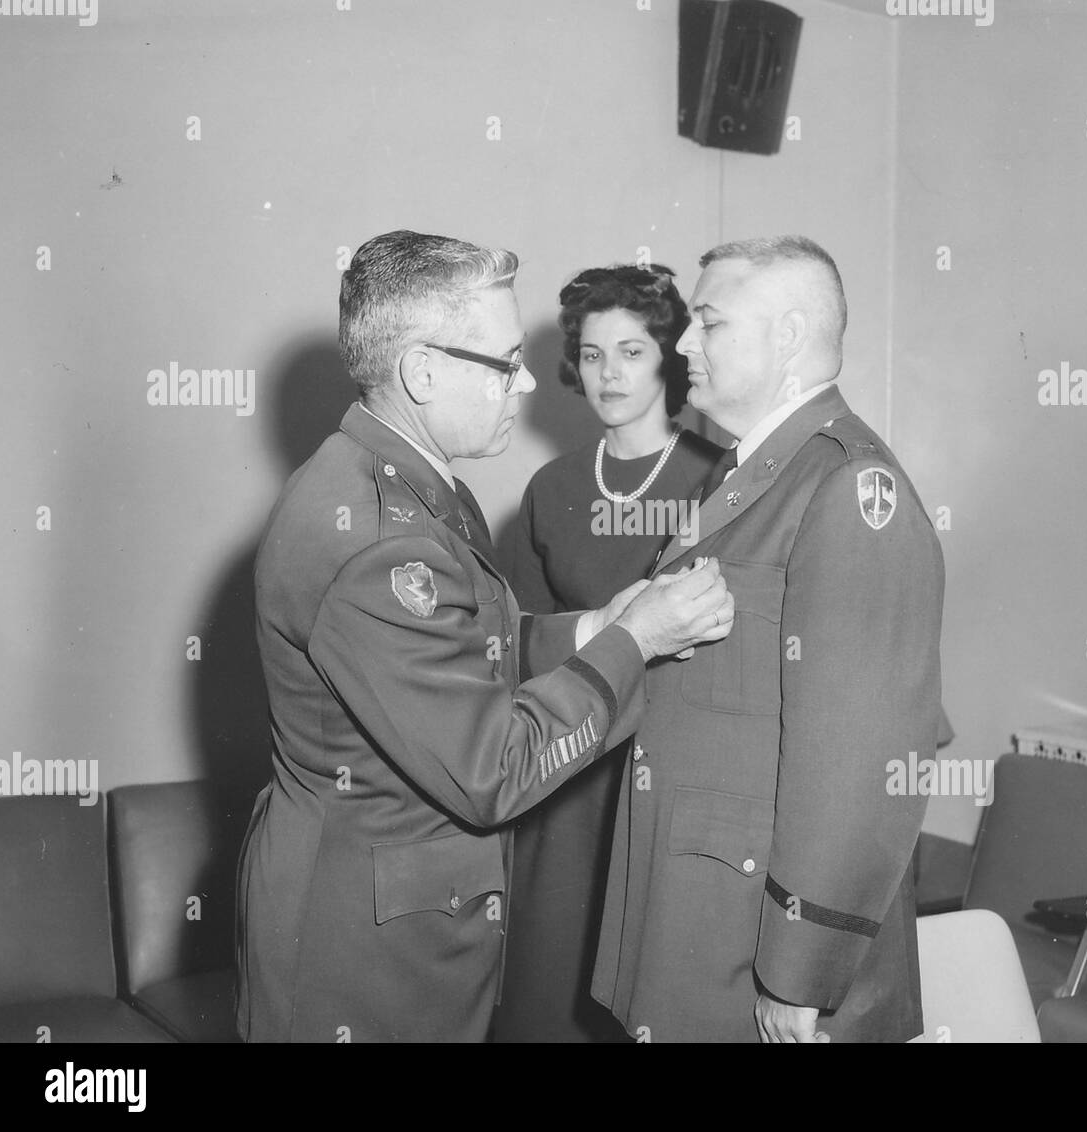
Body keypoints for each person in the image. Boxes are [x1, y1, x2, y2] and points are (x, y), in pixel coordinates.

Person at [234, 230, 733, 1042]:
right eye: (505, 362)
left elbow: (467, 648)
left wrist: (594, 627)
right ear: (423, 372)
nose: (531, 379)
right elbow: (492, 769)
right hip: (367, 955)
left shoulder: (410, 484)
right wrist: (631, 644)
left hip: (409, 920)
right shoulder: (377, 539)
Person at [591, 236, 945, 1043]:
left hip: (767, 946)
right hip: (702, 913)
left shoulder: (850, 488)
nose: (682, 344)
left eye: (708, 322)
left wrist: (800, 968)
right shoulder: (751, 474)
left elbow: (863, 762)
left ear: (787, 336)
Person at [494, 265, 724, 1043]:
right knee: (549, 997)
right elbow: (516, 647)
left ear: (669, 357)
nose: (610, 373)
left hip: (673, 773)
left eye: (631, 351)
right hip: (566, 777)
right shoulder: (551, 488)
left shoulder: (717, 478)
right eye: (593, 356)